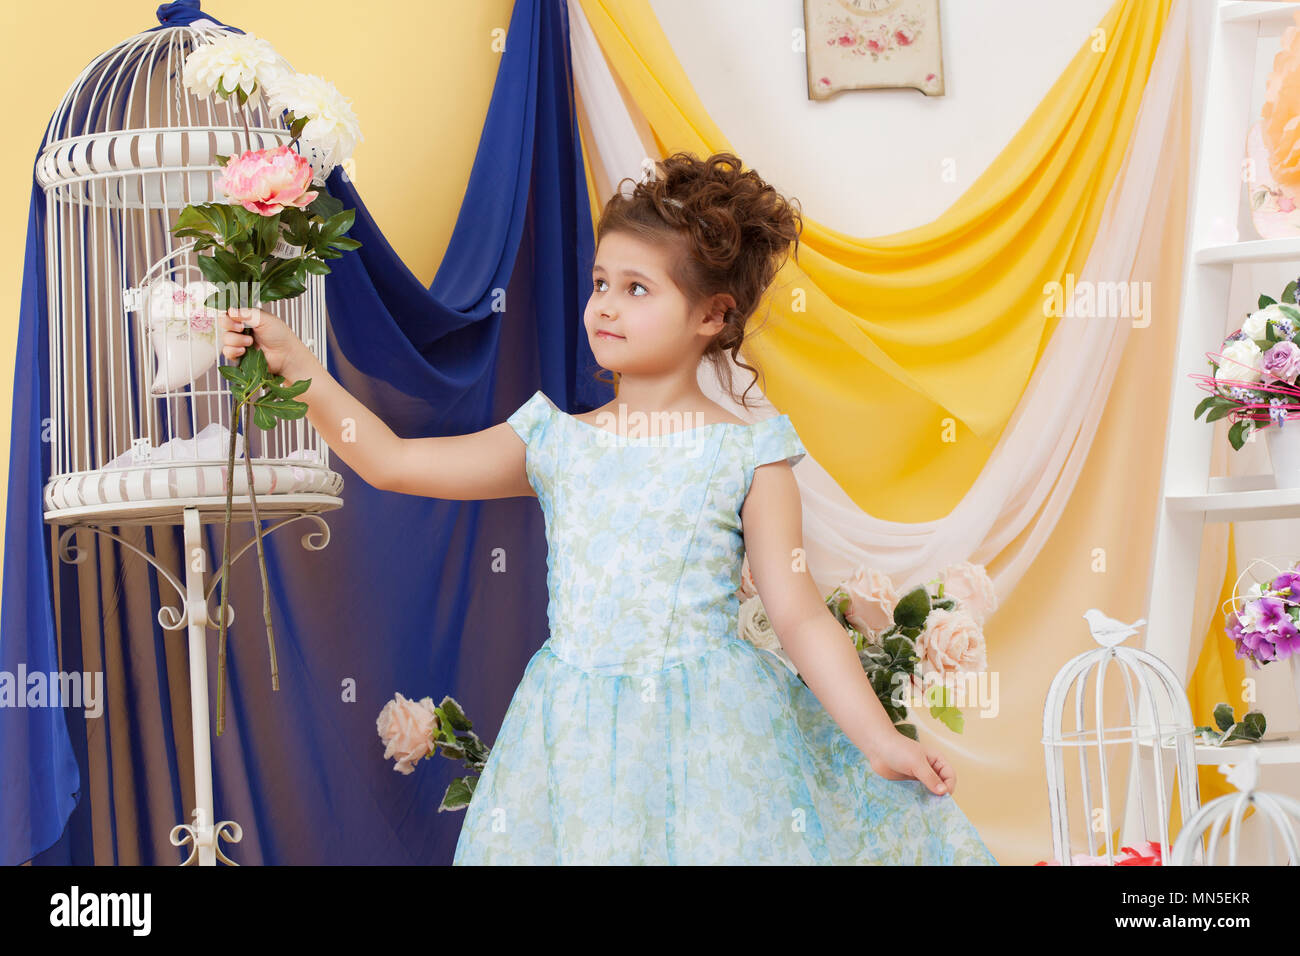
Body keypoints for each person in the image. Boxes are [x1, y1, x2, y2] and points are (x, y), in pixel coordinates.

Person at [220, 151, 999, 865]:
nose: (605, 306)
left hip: (714, 739)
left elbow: (798, 616)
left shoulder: (749, 453)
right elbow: (391, 462)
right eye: (600, 283)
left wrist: (877, 741)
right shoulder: (554, 441)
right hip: (576, 739)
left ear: (711, 316)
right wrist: (300, 367)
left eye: (637, 289)